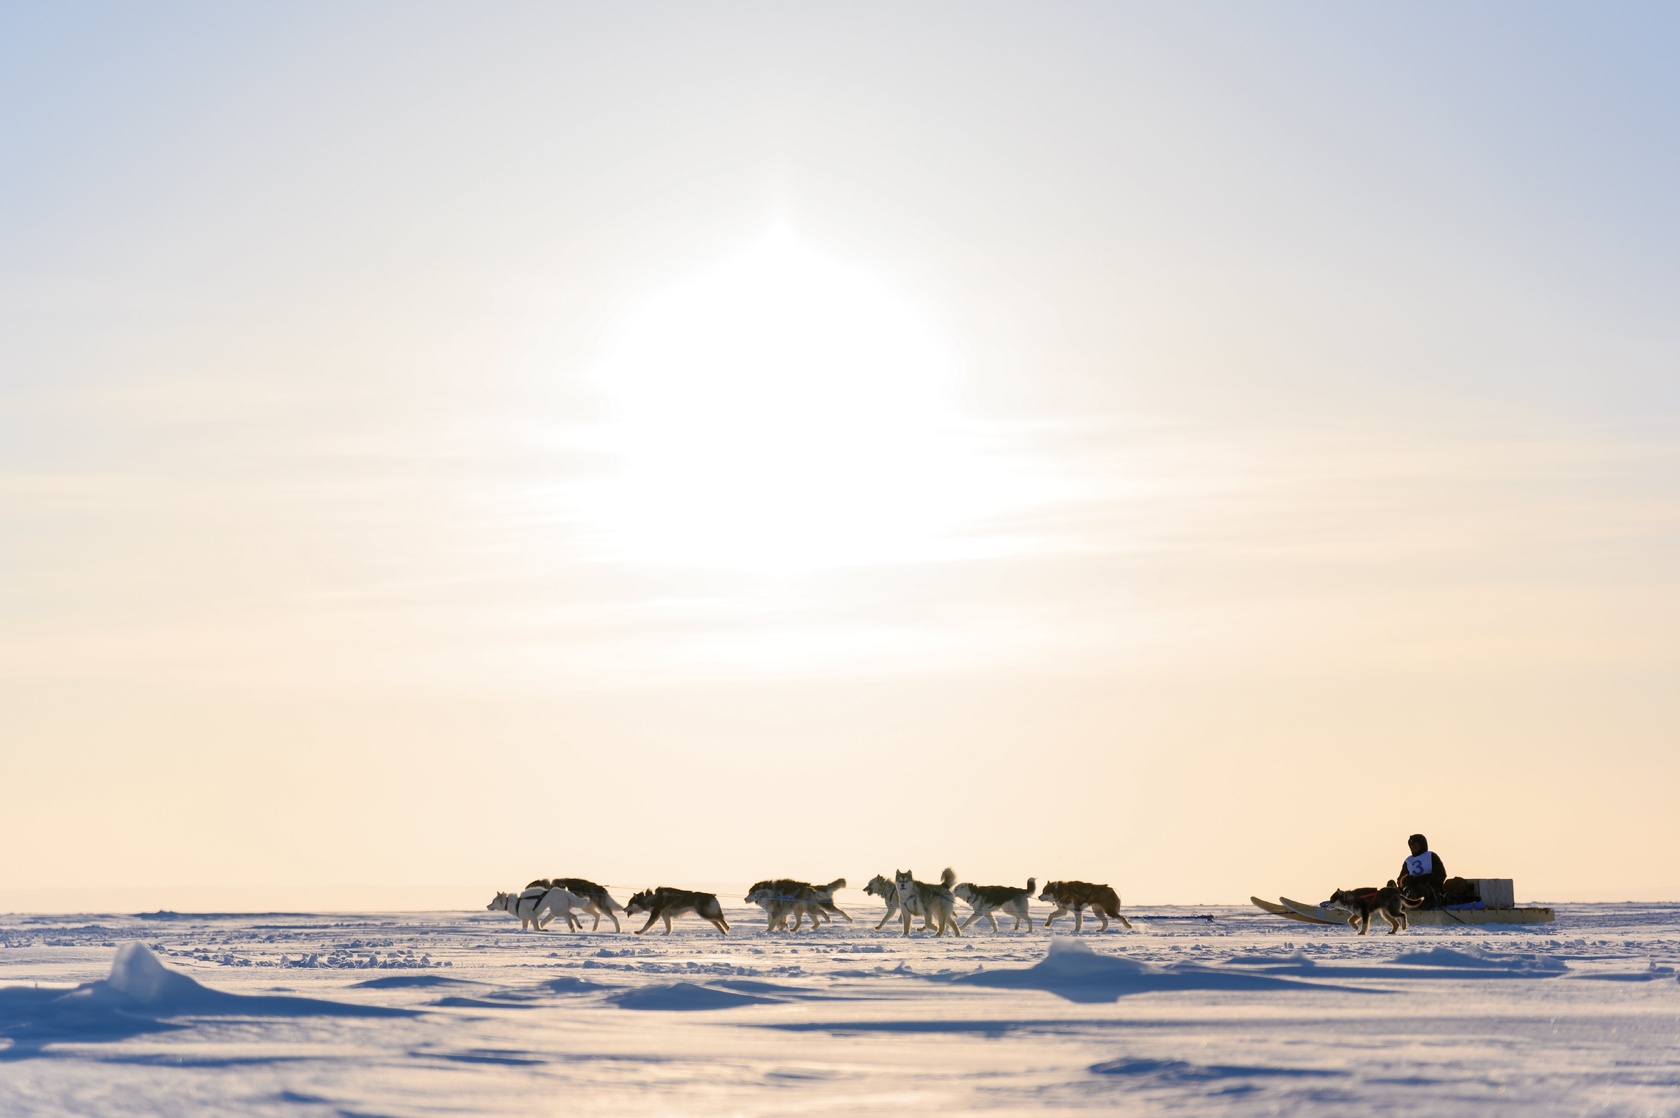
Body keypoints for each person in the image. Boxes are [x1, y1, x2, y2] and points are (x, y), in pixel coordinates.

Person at [1397, 833, 1447, 907]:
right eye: (1411, 845)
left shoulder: (1431, 856)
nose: (1413, 847)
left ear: (1422, 845)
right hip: (1412, 886)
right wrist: (1407, 881)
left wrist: (1425, 879)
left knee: (1422, 889)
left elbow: (1441, 874)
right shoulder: (1408, 861)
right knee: (1402, 889)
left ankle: (1412, 898)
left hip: (1430, 887)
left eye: (1415, 844)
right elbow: (1401, 879)